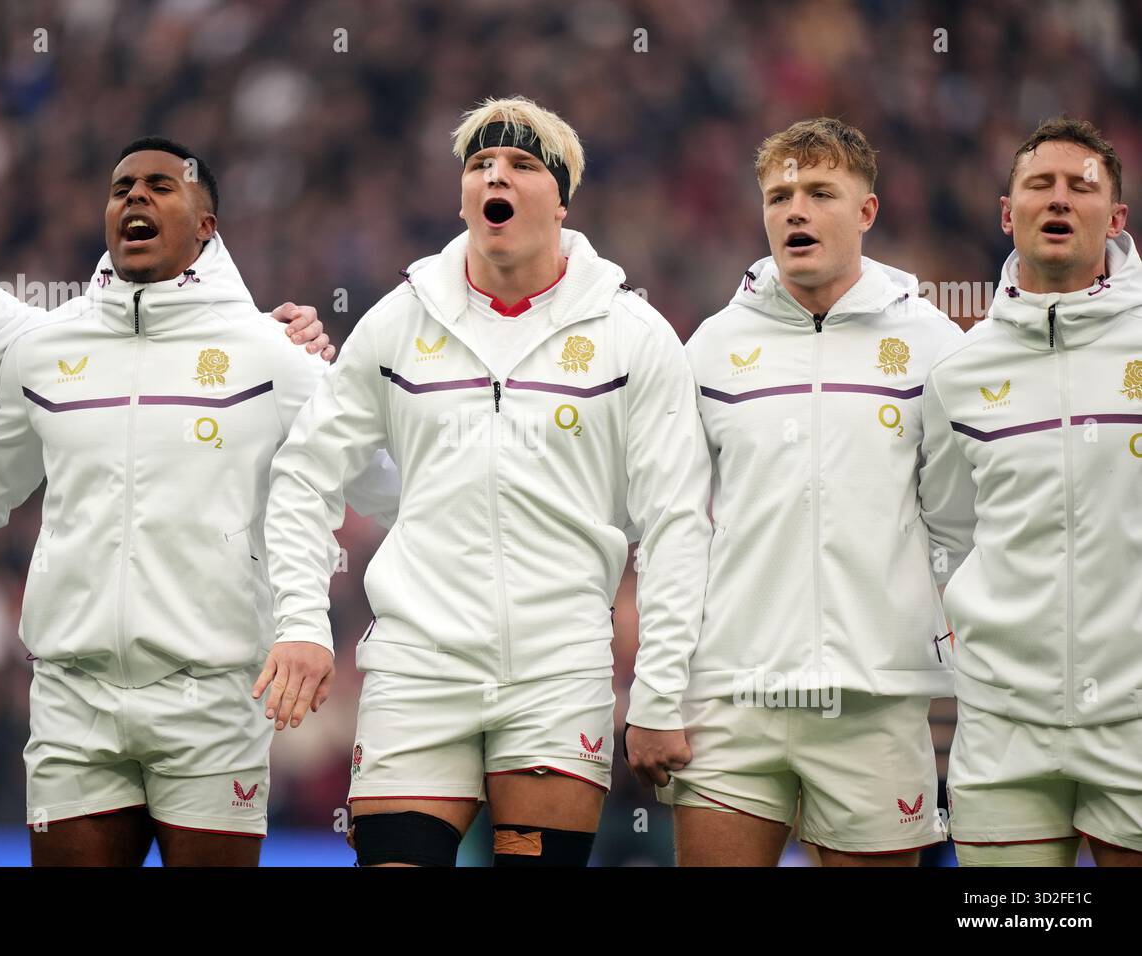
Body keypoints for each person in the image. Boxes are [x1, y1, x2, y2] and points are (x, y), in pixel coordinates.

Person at [259, 96, 712, 867]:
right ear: (464, 194)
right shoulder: (399, 321)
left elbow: (677, 522)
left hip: (558, 668)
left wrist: (661, 691)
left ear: (561, 200)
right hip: (417, 664)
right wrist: (300, 622)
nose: (495, 175)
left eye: (521, 164)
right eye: (479, 165)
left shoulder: (633, 336)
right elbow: (305, 473)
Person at [0, 137, 386, 866]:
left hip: (213, 696)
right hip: (72, 696)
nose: (135, 197)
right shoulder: (46, 350)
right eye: (122, 186)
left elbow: (381, 477)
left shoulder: (271, 353)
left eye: (161, 185)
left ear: (205, 225)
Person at [669, 118, 974, 866]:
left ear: (866, 212)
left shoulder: (936, 347)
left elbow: (960, 528)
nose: (794, 210)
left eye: (818, 192)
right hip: (733, 692)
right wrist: (661, 688)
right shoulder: (710, 346)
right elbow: (673, 523)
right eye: (778, 196)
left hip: (875, 698)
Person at [921, 117, 1142, 867]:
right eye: (1038, 185)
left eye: (1081, 186)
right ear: (1005, 212)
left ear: (1114, 218)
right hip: (1004, 726)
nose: (1059, 199)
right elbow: (948, 535)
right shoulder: (959, 372)